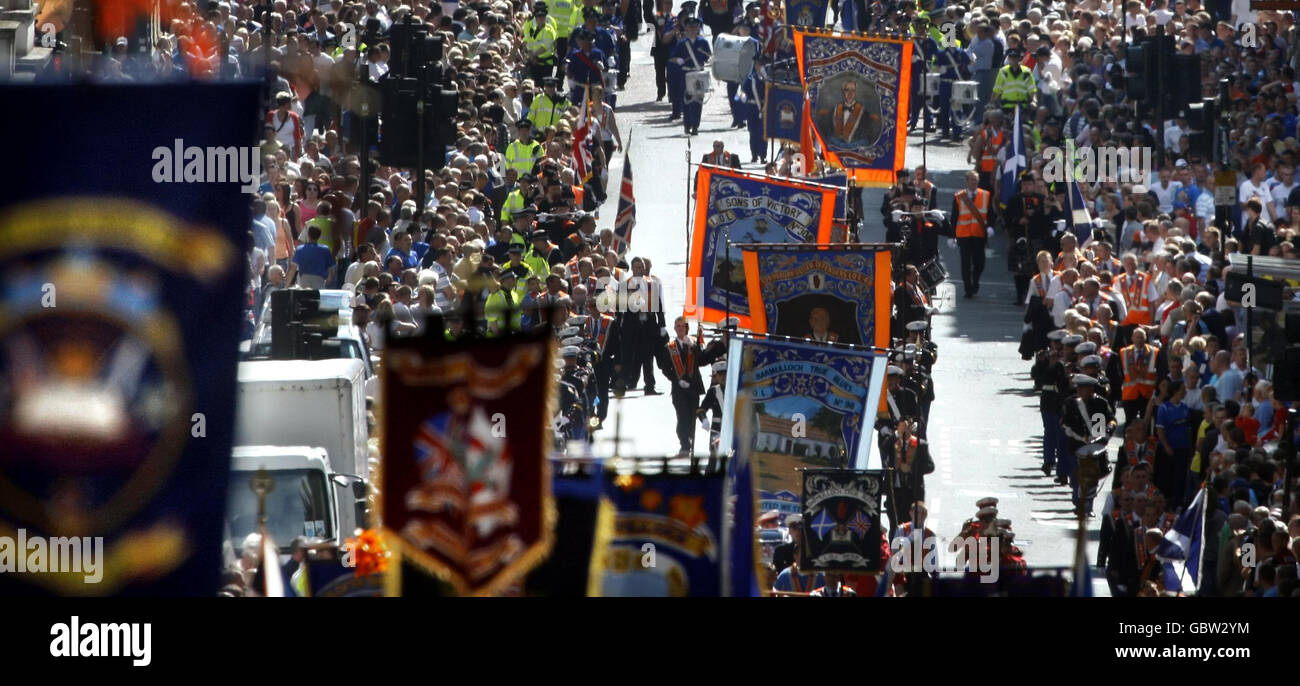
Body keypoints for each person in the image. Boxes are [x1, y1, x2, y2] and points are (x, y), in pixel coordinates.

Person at [1060, 374, 1116, 517]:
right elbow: (1064, 422)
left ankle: (1086, 506)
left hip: (1094, 445)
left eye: (1084, 388)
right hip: (1076, 445)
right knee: (1076, 477)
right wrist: (1078, 436)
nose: (1080, 391)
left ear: (1091, 389)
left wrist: (1105, 433)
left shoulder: (1100, 403)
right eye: (1079, 388)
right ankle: (1078, 500)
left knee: (1091, 478)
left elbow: (1110, 420)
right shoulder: (1070, 403)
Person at [656, 316, 708, 456]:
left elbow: (702, 360)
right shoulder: (670, 347)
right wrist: (676, 380)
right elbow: (664, 367)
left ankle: (689, 438)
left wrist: (694, 347)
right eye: (678, 326)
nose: (680, 329)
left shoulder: (694, 343)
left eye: (683, 326)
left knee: (692, 416)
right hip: (678, 389)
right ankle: (684, 444)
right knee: (682, 416)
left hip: (694, 386)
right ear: (674, 329)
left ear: (687, 328)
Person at [951, 170, 992, 298]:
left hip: (979, 234)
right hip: (963, 235)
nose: (974, 182)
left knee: (980, 262)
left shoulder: (986, 195)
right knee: (965, 263)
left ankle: (975, 279)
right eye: (972, 179)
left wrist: (991, 226)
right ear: (967, 181)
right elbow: (954, 217)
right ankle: (968, 288)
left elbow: (991, 213)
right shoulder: (959, 196)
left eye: (976, 179)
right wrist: (951, 235)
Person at [671, 16, 711, 136]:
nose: (693, 30)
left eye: (695, 27)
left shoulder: (703, 42)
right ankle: (687, 124)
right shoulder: (682, 43)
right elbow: (672, 57)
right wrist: (678, 60)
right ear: (686, 28)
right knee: (687, 101)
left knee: (698, 101)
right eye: (690, 27)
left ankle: (695, 126)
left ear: (698, 28)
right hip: (686, 73)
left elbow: (708, 56)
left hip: (698, 73)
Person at [288, 224, 334, 289]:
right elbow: (332, 269)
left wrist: (288, 284)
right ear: (319, 236)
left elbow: (293, 268)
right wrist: (329, 280)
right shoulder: (325, 250)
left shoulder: (300, 249)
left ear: (308, 235)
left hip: (304, 279)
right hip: (319, 280)